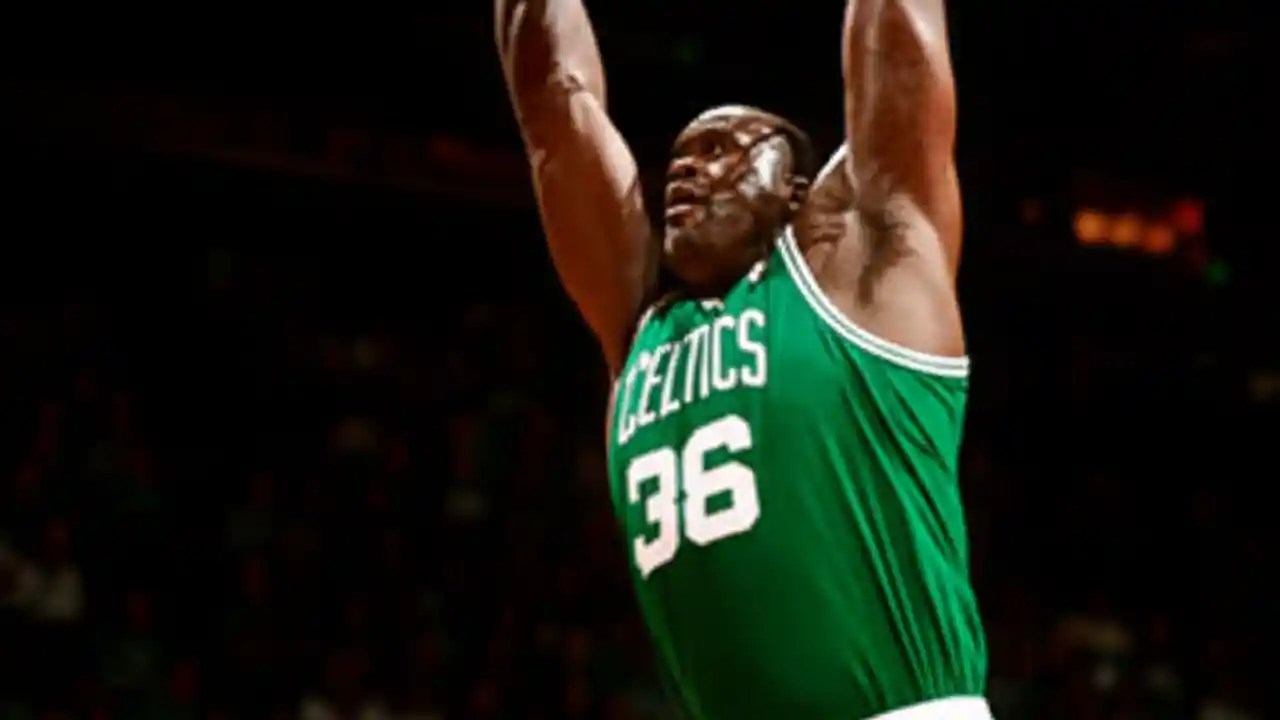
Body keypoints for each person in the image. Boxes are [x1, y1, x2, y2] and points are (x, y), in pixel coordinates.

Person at [495, 1, 988, 718]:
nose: (687, 169)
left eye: (724, 149)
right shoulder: (640, 327)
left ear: (798, 195)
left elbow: (900, 40)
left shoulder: (870, 274)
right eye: (681, 156)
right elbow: (549, 100)